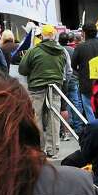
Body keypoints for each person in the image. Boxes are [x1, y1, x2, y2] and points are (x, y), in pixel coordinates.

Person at [19, 25, 69, 158]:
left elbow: (22, 70)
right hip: (56, 87)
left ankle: (39, 148)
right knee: (54, 117)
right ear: (54, 36)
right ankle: (53, 149)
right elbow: (67, 71)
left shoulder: (33, 51)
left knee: (36, 117)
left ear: (41, 36)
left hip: (37, 87)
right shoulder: (62, 51)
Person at [71, 23, 98, 123]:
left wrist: (81, 74)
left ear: (84, 33)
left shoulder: (80, 47)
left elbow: (73, 65)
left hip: (86, 83)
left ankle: (93, 127)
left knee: (89, 109)